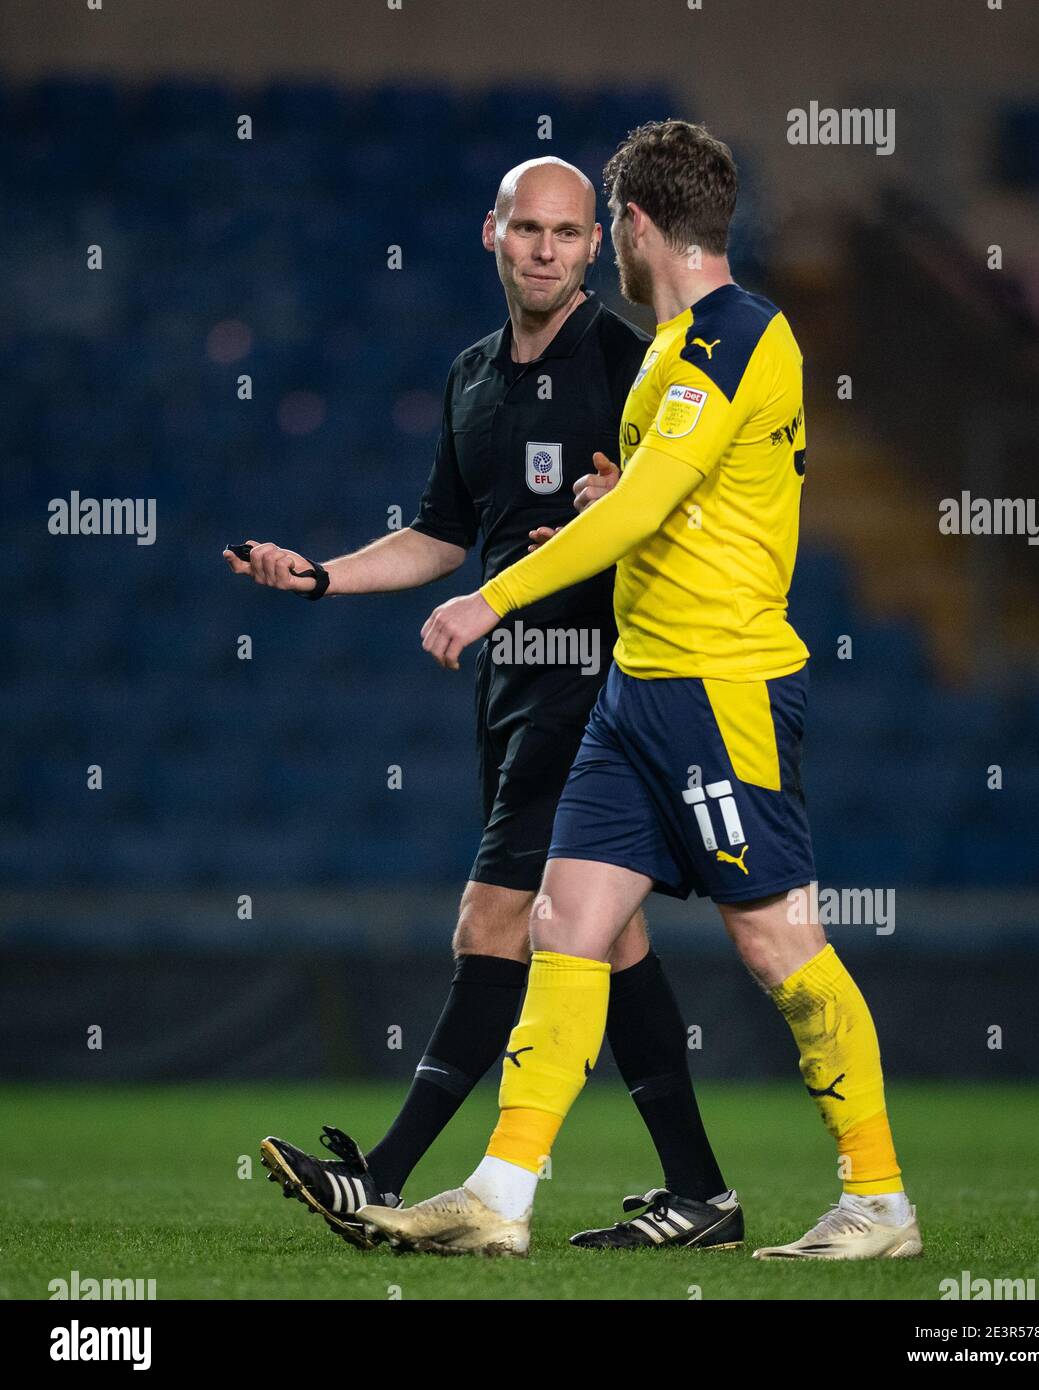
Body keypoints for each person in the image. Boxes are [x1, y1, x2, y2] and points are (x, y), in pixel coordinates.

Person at [356, 121, 922, 1260]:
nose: (595, 243)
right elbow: (656, 495)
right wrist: (616, 492)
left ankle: (880, 1198)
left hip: (722, 687)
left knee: (778, 948)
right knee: (566, 926)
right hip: (635, 692)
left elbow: (649, 506)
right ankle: (502, 1192)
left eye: (601, 223)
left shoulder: (739, 336)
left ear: (636, 225)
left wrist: (493, 595)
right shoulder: (669, 350)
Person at [224, 155, 741, 1253]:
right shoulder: (470, 377)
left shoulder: (636, 364)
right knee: (608, 941)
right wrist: (322, 575)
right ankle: (702, 1191)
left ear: (596, 245)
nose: (547, 249)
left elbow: (691, 505)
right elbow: (441, 537)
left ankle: (383, 1173)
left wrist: (624, 502)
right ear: (492, 235)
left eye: (567, 231)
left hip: (600, 691)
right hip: (512, 691)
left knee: (494, 921)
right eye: (528, 230)